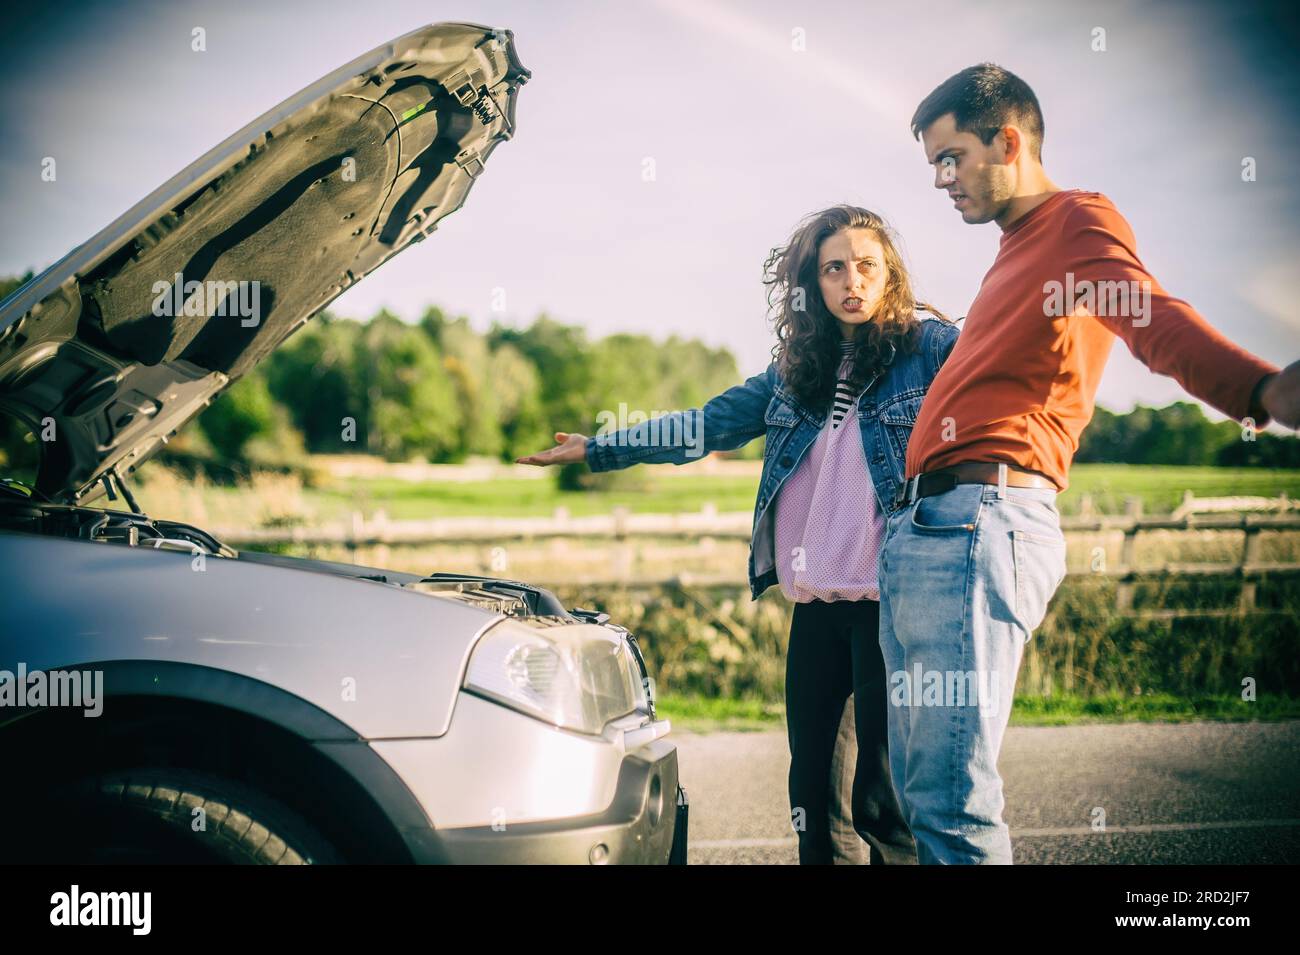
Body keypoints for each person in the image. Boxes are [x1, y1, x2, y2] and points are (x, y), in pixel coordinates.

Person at [883, 62, 1300, 864]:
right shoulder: (1014, 250)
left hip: (979, 520)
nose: (941, 179)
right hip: (930, 529)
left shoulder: (1076, 223)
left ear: (1009, 140)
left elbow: (1148, 314)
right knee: (923, 793)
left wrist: (1262, 388)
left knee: (948, 800)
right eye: (932, 164)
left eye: (952, 157)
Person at [517, 205, 959, 864]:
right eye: (834, 267)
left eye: (866, 264)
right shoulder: (794, 374)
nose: (851, 280)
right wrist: (599, 448)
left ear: (890, 271)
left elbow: (1003, 369)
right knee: (814, 797)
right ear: (814, 282)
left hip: (890, 608)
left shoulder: (926, 349)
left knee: (882, 800)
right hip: (815, 609)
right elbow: (702, 426)